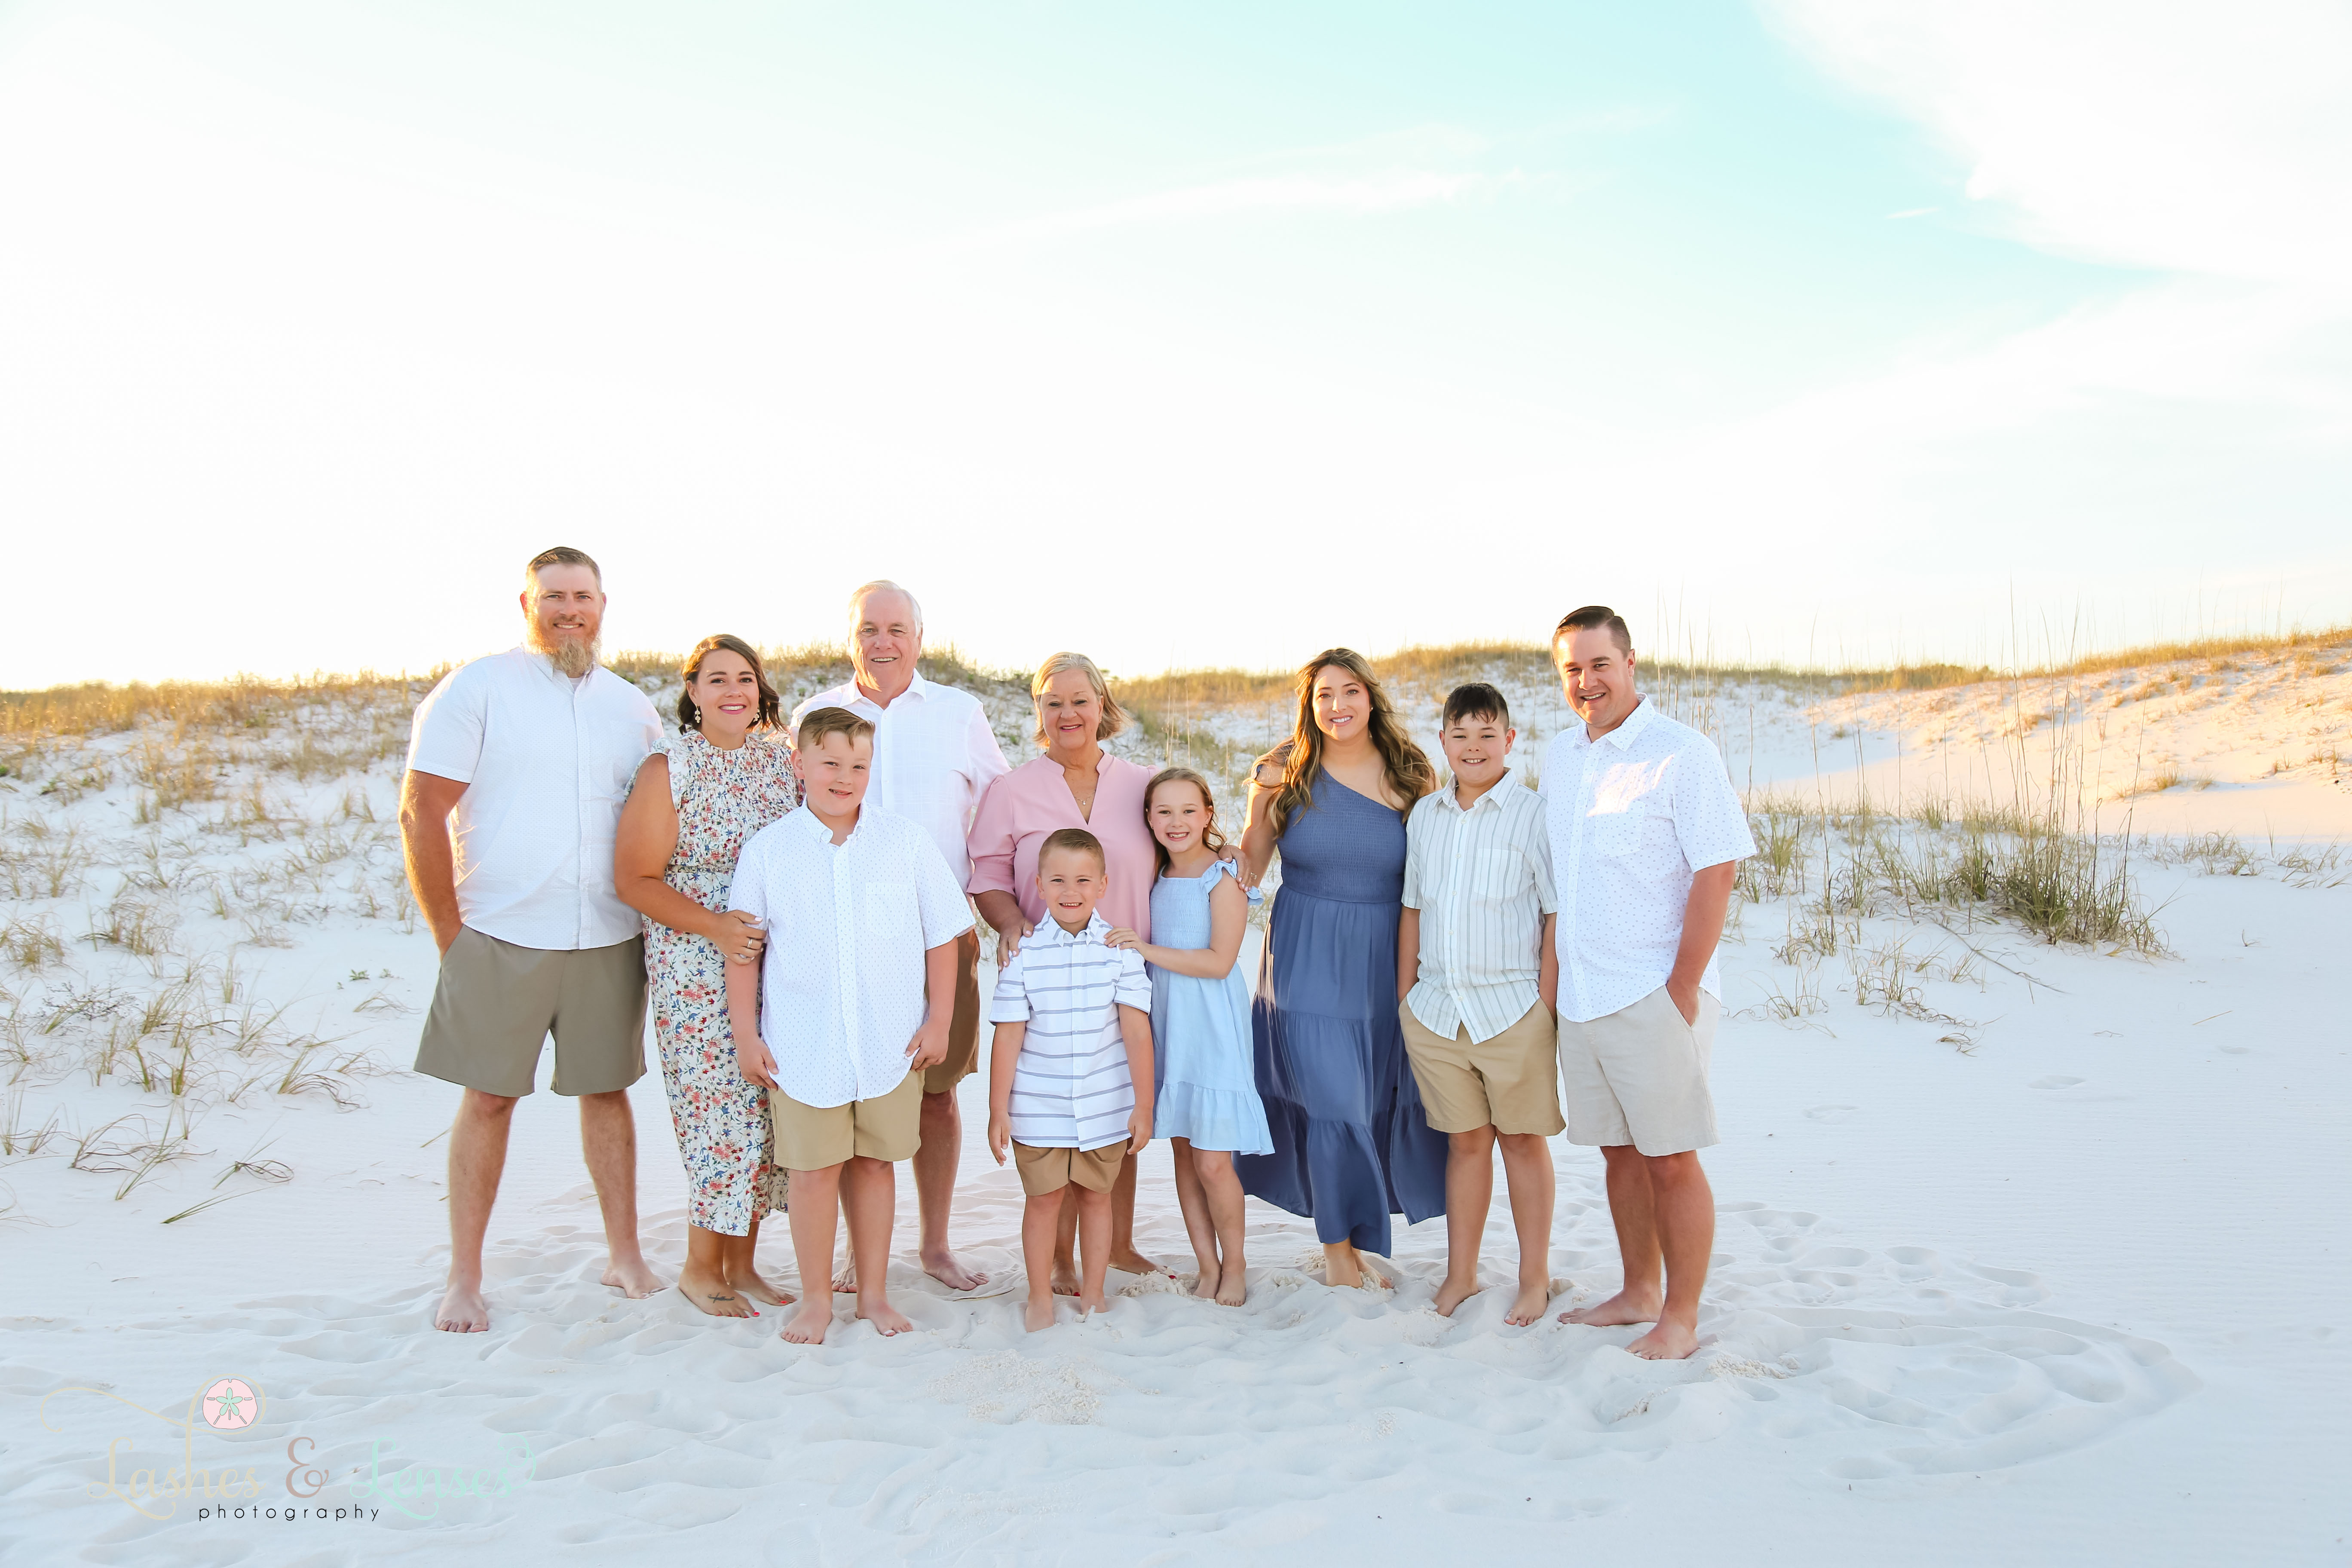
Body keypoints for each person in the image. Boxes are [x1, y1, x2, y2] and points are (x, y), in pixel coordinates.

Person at [401, 546, 665, 1334]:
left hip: (607, 934)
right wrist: (450, 935)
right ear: (527, 605)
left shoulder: (632, 708)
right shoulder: (477, 688)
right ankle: (464, 1277)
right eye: (554, 597)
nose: (569, 610)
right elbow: (420, 810)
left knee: (607, 1093)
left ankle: (624, 1255)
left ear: (603, 606)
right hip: (500, 932)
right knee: (487, 1099)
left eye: (582, 596)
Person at [1542, 606, 1756, 1360]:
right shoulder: (1561, 757)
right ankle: (1638, 1291)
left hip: (1652, 993)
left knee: (1670, 1156)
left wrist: (1683, 986)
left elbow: (1717, 868)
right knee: (1619, 1154)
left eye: (1600, 664)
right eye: (1572, 668)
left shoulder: (1680, 753)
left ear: (1630, 663)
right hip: (1584, 997)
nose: (1587, 681)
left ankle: (1681, 1318)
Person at [725, 706, 974, 1344]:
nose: (845, 778)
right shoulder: (769, 851)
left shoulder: (905, 842)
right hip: (802, 1045)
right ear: (799, 764)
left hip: (890, 1041)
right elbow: (744, 950)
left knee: (874, 1167)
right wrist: (747, 1036)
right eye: (830, 763)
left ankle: (873, 1295)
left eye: (858, 766)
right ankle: (815, 1301)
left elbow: (943, 936)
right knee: (812, 1175)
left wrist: (940, 1018)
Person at [790, 582, 1009, 1293]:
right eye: (869, 629)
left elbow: (1003, 809)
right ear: (850, 636)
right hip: (838, 942)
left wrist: (1006, 905)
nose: (882, 642)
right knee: (849, 1093)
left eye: (896, 629)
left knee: (936, 1094)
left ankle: (936, 1244)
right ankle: (861, 1253)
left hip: (939, 938)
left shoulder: (959, 713)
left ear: (919, 638)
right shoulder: (813, 716)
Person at [1236, 649, 1446, 1289]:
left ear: (1370, 697)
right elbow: (1248, 868)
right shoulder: (1286, 773)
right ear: (1310, 705)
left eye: (1350, 691)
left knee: (1367, 1099)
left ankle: (1355, 1244)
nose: (1338, 706)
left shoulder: (1411, 773)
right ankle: (1338, 1249)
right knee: (1332, 1102)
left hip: (1385, 957)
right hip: (1303, 955)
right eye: (1324, 695)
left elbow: (1435, 876)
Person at [968, 651, 1167, 1289]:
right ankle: (1057, 1257)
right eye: (1053, 703)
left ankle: (1120, 1244)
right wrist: (1009, 923)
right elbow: (987, 877)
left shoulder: (1143, 784)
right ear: (1039, 711)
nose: (1068, 713)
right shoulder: (1011, 791)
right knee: (1055, 1117)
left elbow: (1188, 840)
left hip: (1127, 971)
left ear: (1102, 706)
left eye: (1080, 700)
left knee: (1116, 1100)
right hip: (1048, 984)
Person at [614, 634, 799, 1320]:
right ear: (693, 692)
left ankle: (742, 1264)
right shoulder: (671, 767)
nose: (734, 691)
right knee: (717, 1112)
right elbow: (635, 878)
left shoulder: (780, 762)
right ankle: (700, 1268)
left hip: (775, 959)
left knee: (766, 1106)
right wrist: (716, 927)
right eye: (717, 679)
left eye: (745, 678)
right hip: (695, 962)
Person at [1397, 683, 1562, 1326]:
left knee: (1521, 1143)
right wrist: (1406, 998)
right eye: (1461, 736)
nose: (1474, 747)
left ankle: (1534, 1279)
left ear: (1509, 741)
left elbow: (1555, 914)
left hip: (1513, 1011)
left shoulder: (1535, 814)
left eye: (1487, 735)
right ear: (1443, 742)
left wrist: (1545, 1006)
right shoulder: (1425, 816)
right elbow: (1413, 908)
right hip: (1437, 1012)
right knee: (1466, 1145)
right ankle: (1461, 1275)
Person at [1107, 769, 1272, 1307]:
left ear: (1207, 814)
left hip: (1212, 1027)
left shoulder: (1222, 876)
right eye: (1164, 812)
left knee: (1212, 1162)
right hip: (1168, 1024)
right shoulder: (1154, 873)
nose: (1176, 822)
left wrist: (1145, 950)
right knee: (1183, 1152)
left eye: (1187, 811)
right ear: (1149, 819)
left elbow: (1220, 961)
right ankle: (1207, 1265)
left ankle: (1236, 1263)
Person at [985, 828, 1155, 1331]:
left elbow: (1137, 1034)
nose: (1070, 891)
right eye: (1057, 880)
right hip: (1038, 1107)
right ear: (1039, 885)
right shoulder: (1023, 954)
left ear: (1103, 885)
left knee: (1097, 1200)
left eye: (1083, 880)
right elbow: (1008, 1037)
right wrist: (997, 1109)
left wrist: (1144, 1106)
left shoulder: (1121, 951)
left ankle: (1094, 1293)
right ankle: (1039, 1296)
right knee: (1043, 1201)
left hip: (1104, 1107)